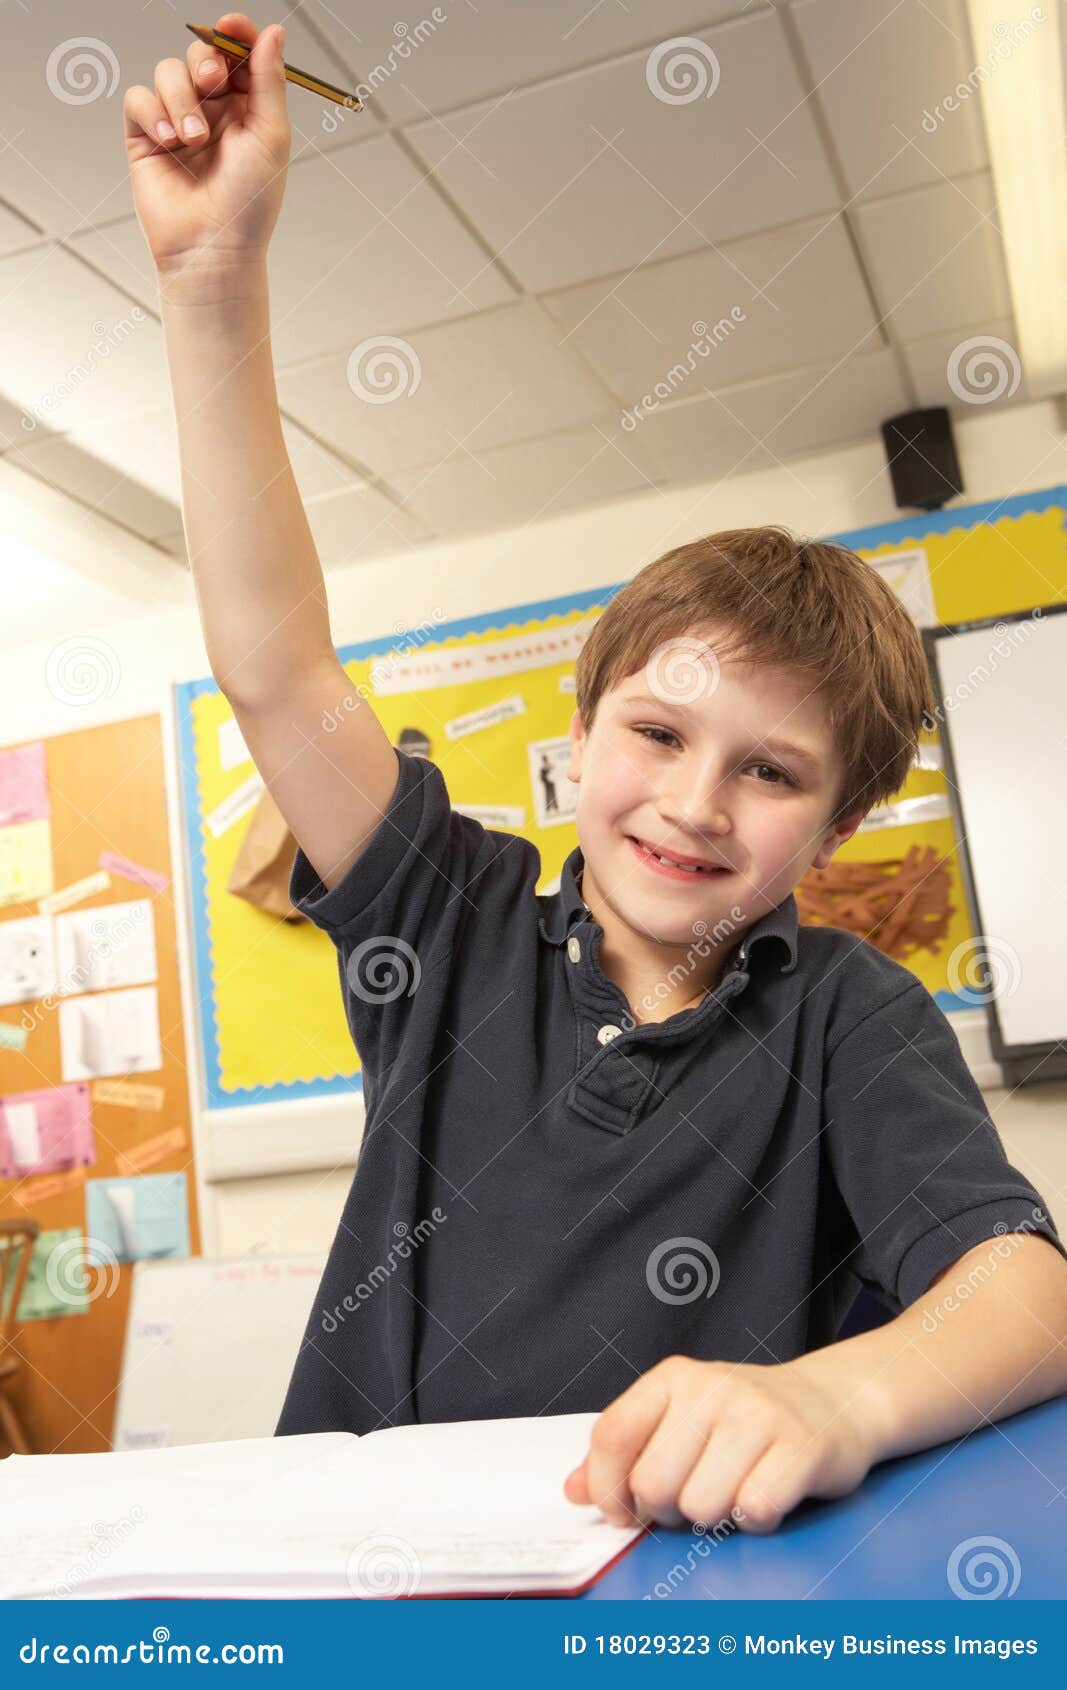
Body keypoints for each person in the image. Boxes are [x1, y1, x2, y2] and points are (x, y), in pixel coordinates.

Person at [125, 14, 1067, 1535]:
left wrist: (832, 1394)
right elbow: (277, 666)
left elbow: (1026, 1292)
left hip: (661, 1596)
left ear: (840, 819)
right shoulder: (449, 917)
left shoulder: (845, 1015)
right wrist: (207, 280)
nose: (694, 801)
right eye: (659, 732)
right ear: (581, 732)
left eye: (770, 772)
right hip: (346, 1565)